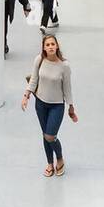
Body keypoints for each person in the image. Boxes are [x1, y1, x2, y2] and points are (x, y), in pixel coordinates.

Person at [21, 34, 78, 178]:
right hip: (40, 104)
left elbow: (67, 88)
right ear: (44, 48)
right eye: (47, 45)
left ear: (57, 46)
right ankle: (49, 163)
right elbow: (34, 80)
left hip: (57, 106)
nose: (50, 47)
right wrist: (26, 96)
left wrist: (71, 107)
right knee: (45, 135)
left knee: (50, 136)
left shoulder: (64, 66)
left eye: (53, 44)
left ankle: (59, 159)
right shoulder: (39, 60)